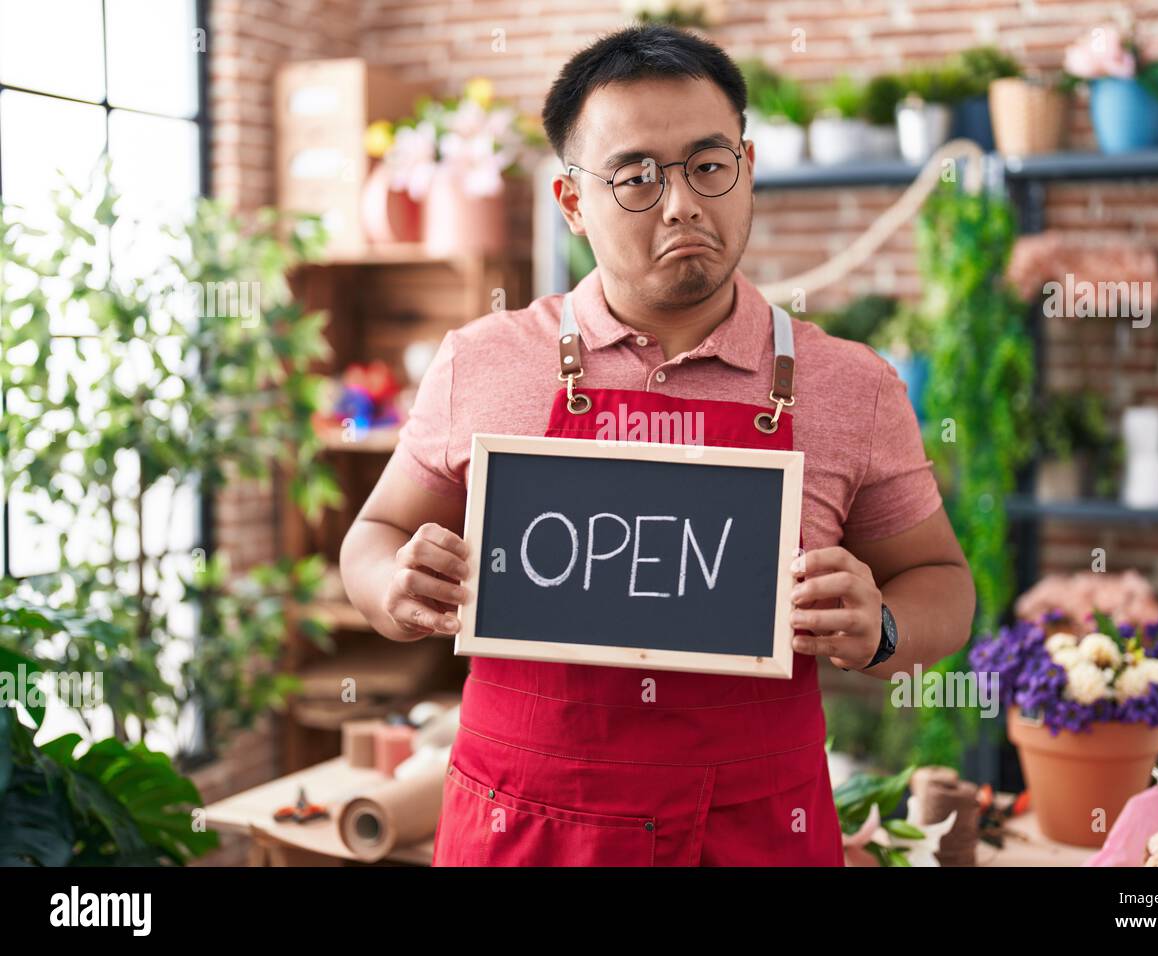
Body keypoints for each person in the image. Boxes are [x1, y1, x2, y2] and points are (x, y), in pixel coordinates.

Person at [340, 23, 975, 867]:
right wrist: (395, 584)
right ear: (572, 202)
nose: (681, 203)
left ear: (745, 167)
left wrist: (884, 626)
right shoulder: (483, 361)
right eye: (636, 176)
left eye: (709, 167)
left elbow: (945, 585)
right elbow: (370, 539)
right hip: (523, 829)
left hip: (755, 832)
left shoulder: (852, 387)